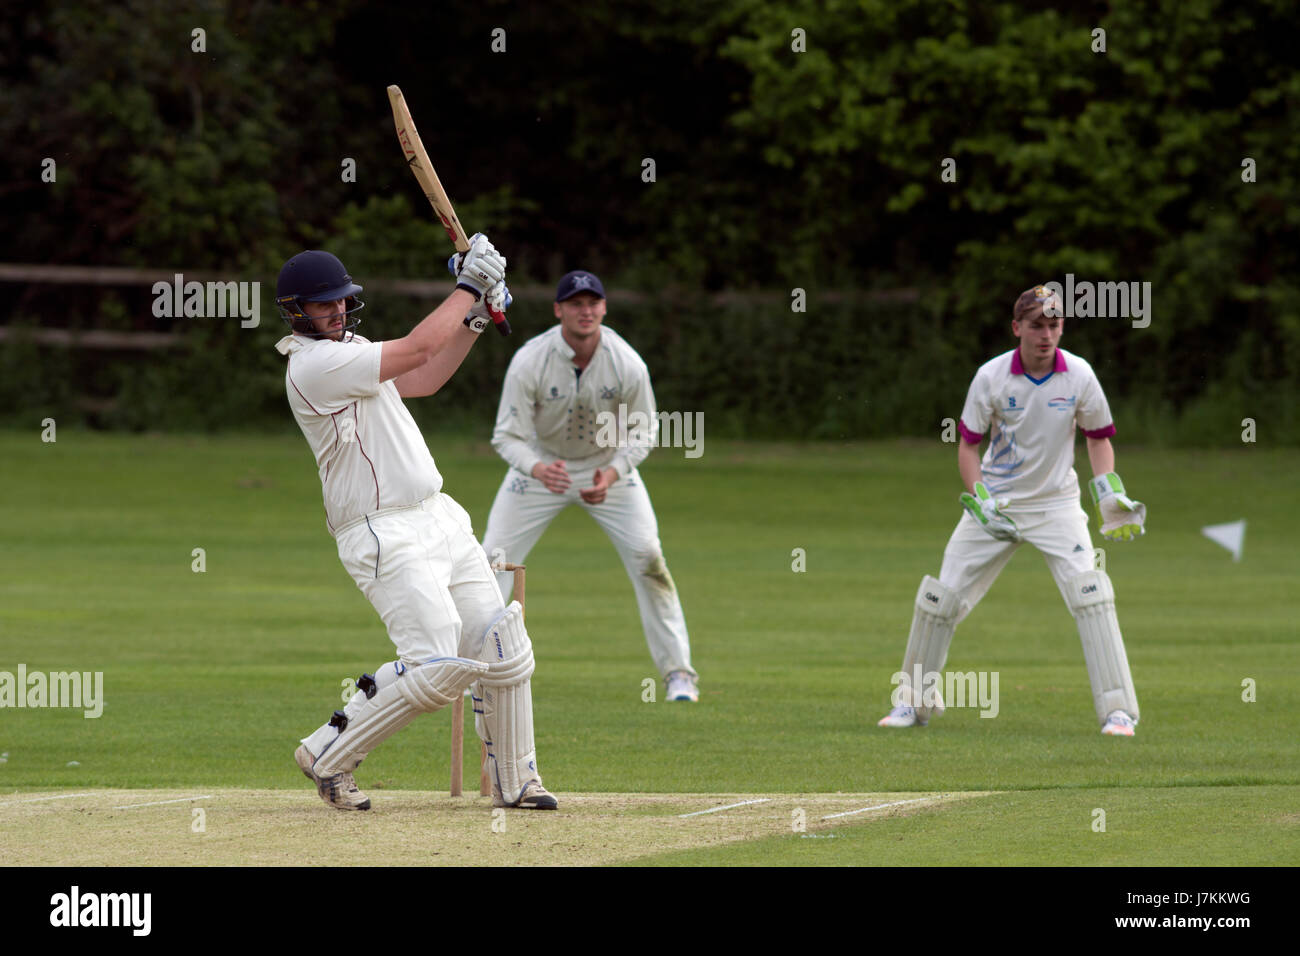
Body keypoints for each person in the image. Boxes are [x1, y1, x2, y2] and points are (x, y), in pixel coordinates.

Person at [274, 237, 557, 810]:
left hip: (439, 516)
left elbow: (425, 373)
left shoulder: (350, 350)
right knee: (434, 665)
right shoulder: (315, 367)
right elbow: (419, 343)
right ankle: (326, 756)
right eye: (321, 305)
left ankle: (517, 781)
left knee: (501, 645)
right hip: (382, 531)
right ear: (295, 311)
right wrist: (470, 287)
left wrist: (475, 315)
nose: (334, 312)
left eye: (340, 301)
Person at [877, 285, 1147, 736]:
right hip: (996, 506)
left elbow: (1097, 438)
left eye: (1054, 325)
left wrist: (1106, 494)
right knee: (939, 599)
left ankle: (1119, 712)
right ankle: (911, 704)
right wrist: (980, 499)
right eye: (1037, 325)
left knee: (1092, 595)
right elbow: (968, 446)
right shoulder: (991, 377)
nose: (1046, 335)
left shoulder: (1078, 375)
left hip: (1057, 506)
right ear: (1017, 327)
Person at [480, 270, 699, 702]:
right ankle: (480, 670)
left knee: (649, 561)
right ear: (558, 309)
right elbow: (506, 435)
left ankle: (678, 675)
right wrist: (539, 469)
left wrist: (614, 472)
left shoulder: (627, 362)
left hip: (607, 469)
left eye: (592, 303)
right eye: (575, 303)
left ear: (604, 307)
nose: (585, 311)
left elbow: (643, 432)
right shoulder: (531, 359)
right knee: (493, 562)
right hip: (541, 468)